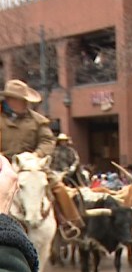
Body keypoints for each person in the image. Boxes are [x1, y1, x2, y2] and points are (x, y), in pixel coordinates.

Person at [0, 80, 84, 237]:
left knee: (57, 186)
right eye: (22, 100)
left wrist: (37, 155)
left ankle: (69, 222)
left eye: (26, 101)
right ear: (10, 100)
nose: (25, 104)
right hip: (2, 163)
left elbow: (47, 140)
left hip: (33, 164)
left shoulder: (38, 120)